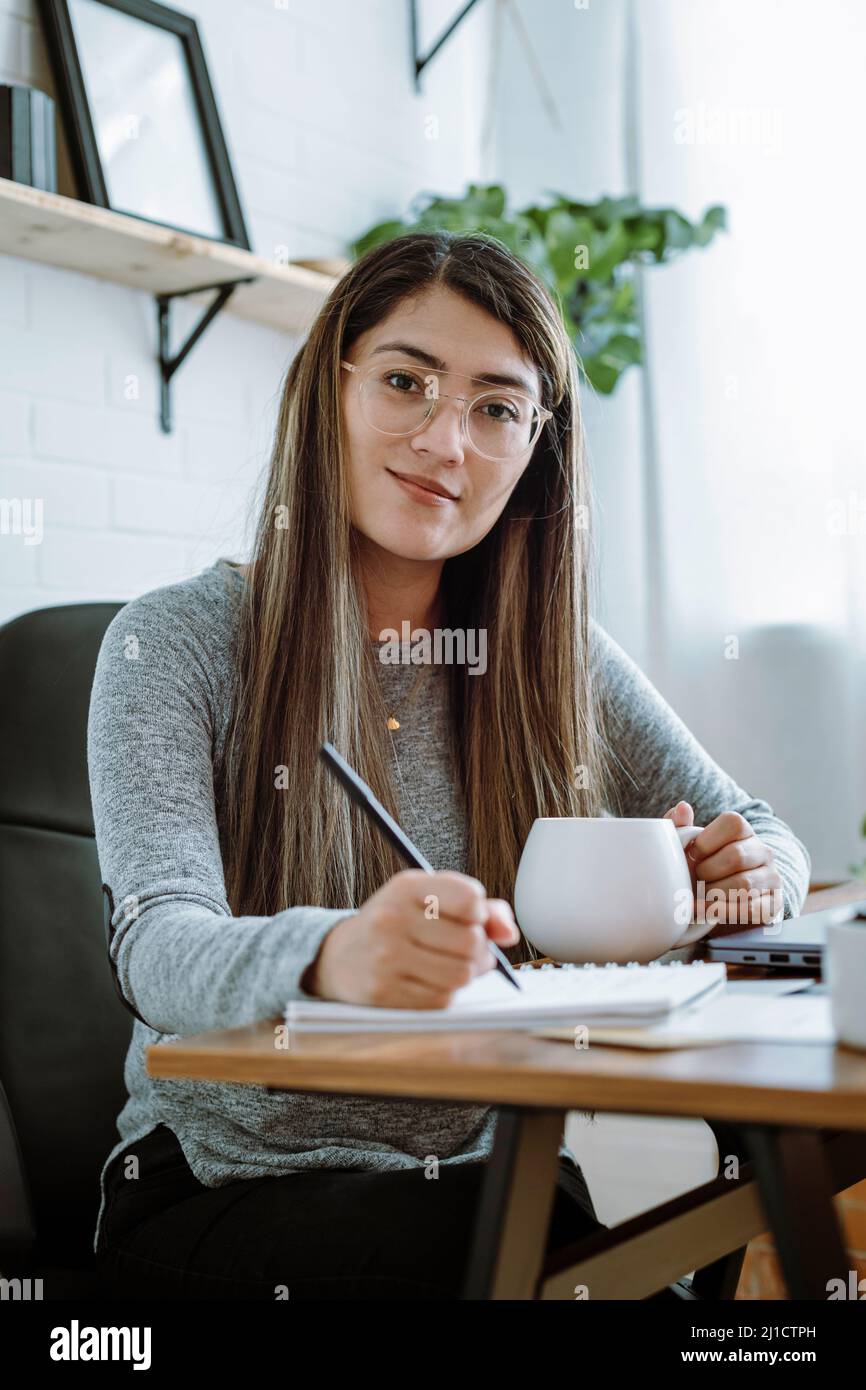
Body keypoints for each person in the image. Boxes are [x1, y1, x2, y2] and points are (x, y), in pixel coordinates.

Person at [88, 231, 810, 1300]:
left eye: (494, 407)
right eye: (403, 382)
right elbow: (157, 944)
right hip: (222, 1192)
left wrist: (748, 876)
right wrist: (335, 953)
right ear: (325, 391)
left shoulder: (549, 657)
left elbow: (759, 826)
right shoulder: (177, 642)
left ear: (534, 450)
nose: (445, 441)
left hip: (490, 1184)